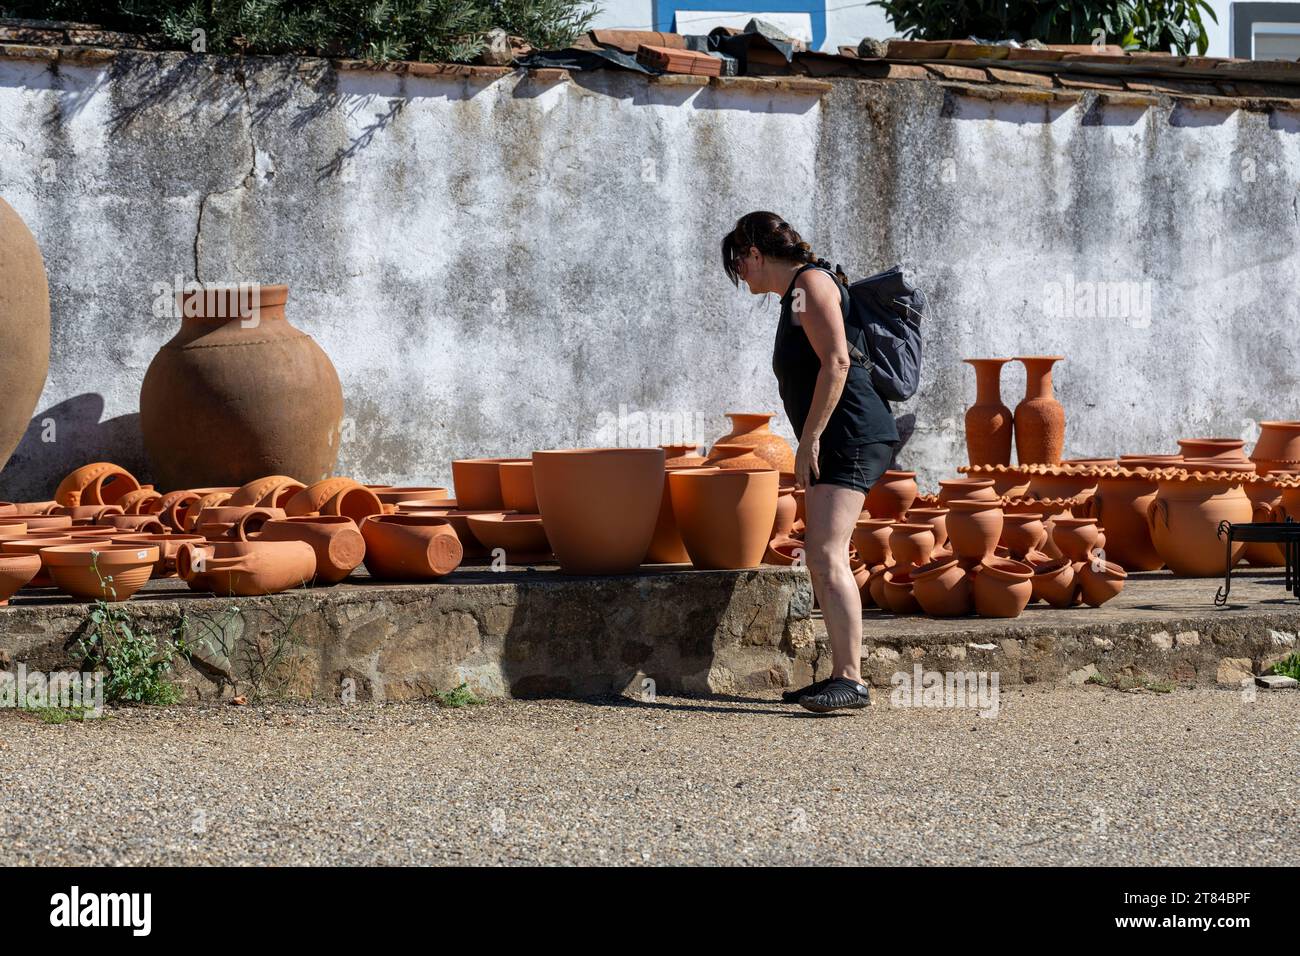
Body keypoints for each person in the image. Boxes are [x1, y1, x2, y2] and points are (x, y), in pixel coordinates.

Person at [721, 211, 898, 713]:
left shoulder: (811, 283)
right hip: (838, 436)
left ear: (755, 253)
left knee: (825, 551)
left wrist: (810, 439)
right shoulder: (794, 294)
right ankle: (841, 675)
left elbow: (837, 361)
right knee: (822, 553)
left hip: (852, 435)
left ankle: (852, 680)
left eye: (739, 262)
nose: (739, 273)